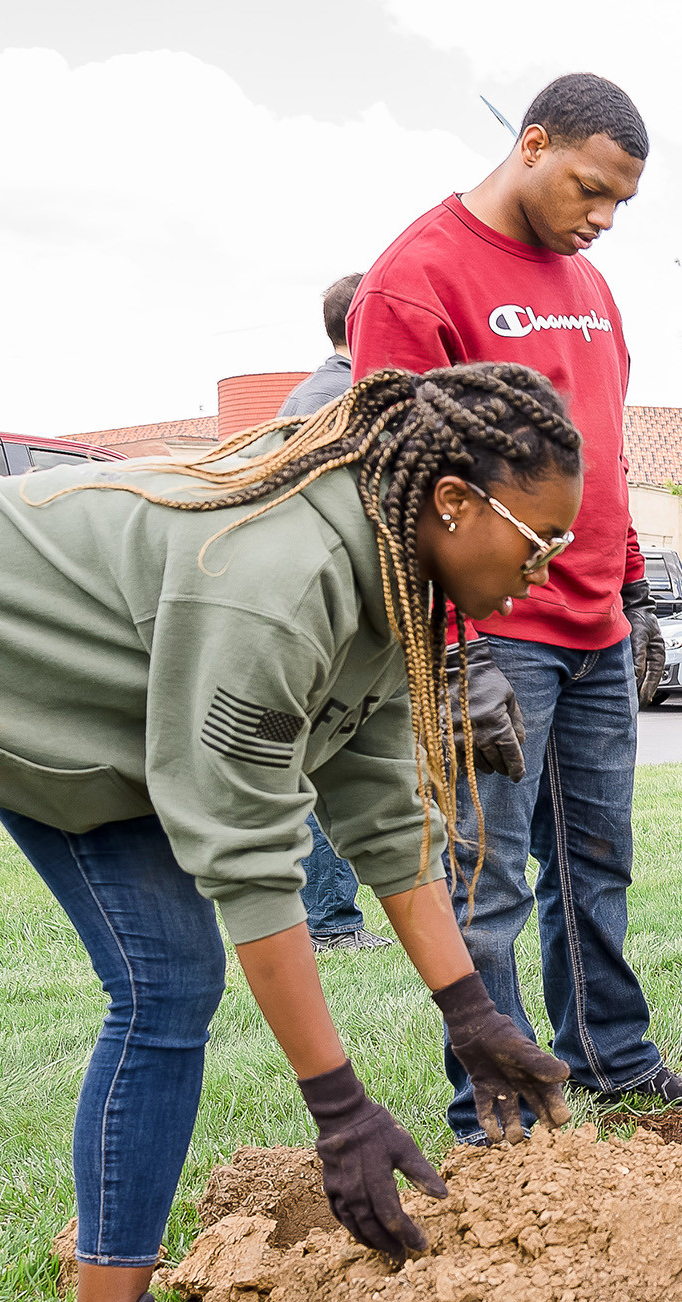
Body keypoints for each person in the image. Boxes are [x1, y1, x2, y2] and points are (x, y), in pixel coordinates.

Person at [0, 362, 590, 1302]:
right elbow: (250, 859)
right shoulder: (281, 581)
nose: (551, 568)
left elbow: (382, 810)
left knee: (169, 985)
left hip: (77, 720)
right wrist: (342, 1108)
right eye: (542, 542)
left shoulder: (397, 578)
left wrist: (471, 1014)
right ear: (454, 501)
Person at [350, 72, 682, 1141]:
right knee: (487, 878)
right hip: (494, 625)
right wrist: (452, 647)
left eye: (622, 205)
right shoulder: (417, 280)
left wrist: (635, 584)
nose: (602, 220)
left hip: (596, 627)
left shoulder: (591, 287)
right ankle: (498, 1102)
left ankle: (611, 1056)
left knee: (597, 861)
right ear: (535, 144)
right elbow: (394, 487)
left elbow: (602, 444)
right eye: (592, 191)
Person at [279, 271, 395, 953]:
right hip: (324, 611)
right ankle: (330, 920)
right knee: (322, 763)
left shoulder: (313, 392)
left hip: (310, 606)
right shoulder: (342, 400)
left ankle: (327, 916)